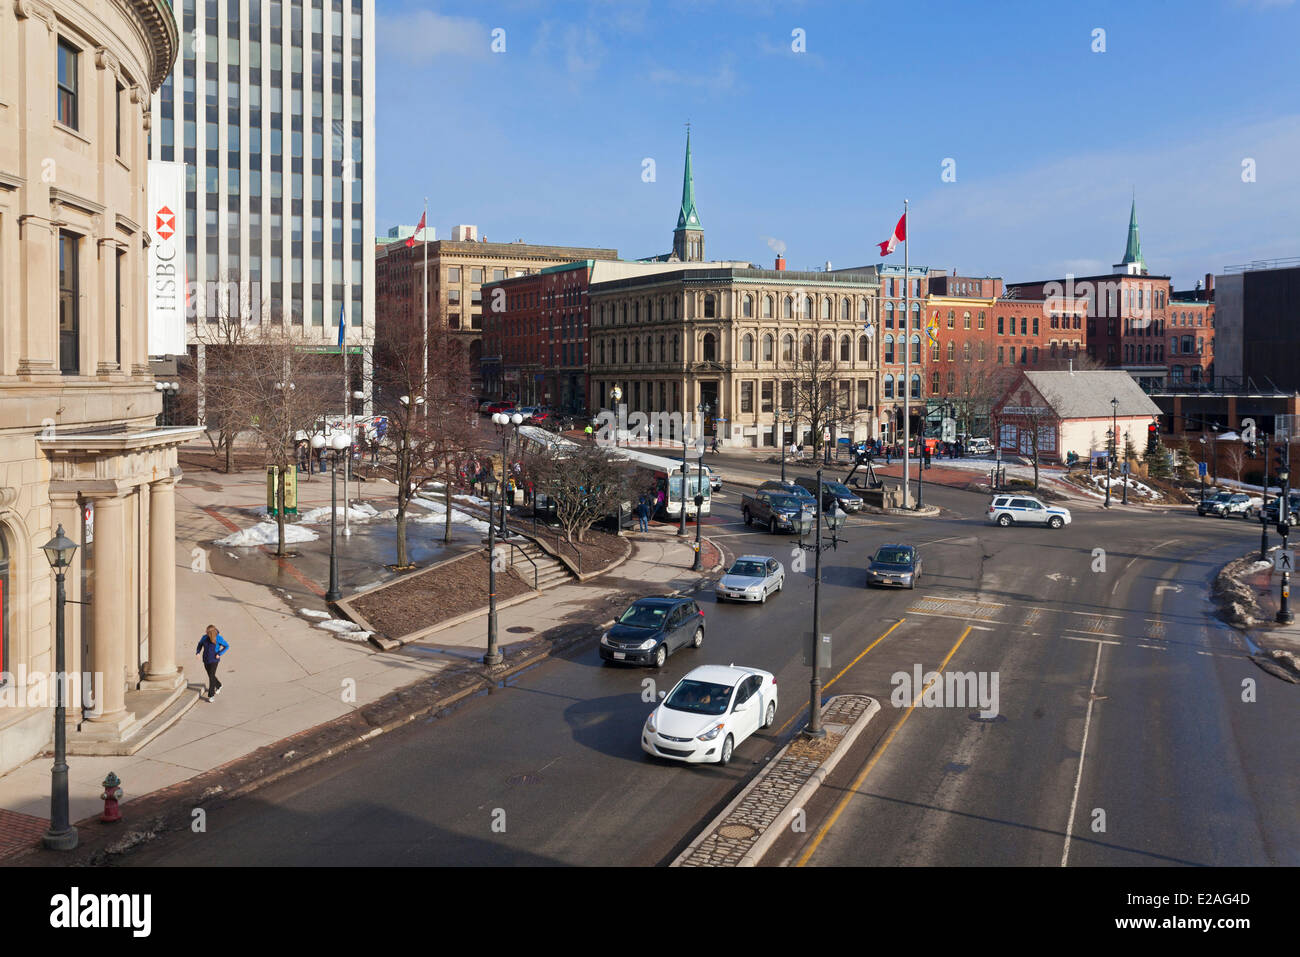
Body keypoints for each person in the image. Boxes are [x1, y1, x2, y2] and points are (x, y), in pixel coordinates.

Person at [196, 624, 229, 701]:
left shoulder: (218, 638)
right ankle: (219, 685)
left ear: (211, 632)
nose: (206, 632)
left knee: (211, 677)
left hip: (214, 660)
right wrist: (198, 652)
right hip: (206, 659)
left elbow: (226, 646)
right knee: (211, 675)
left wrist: (219, 653)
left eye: (207, 632)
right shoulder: (204, 637)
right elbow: (200, 644)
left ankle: (211, 695)